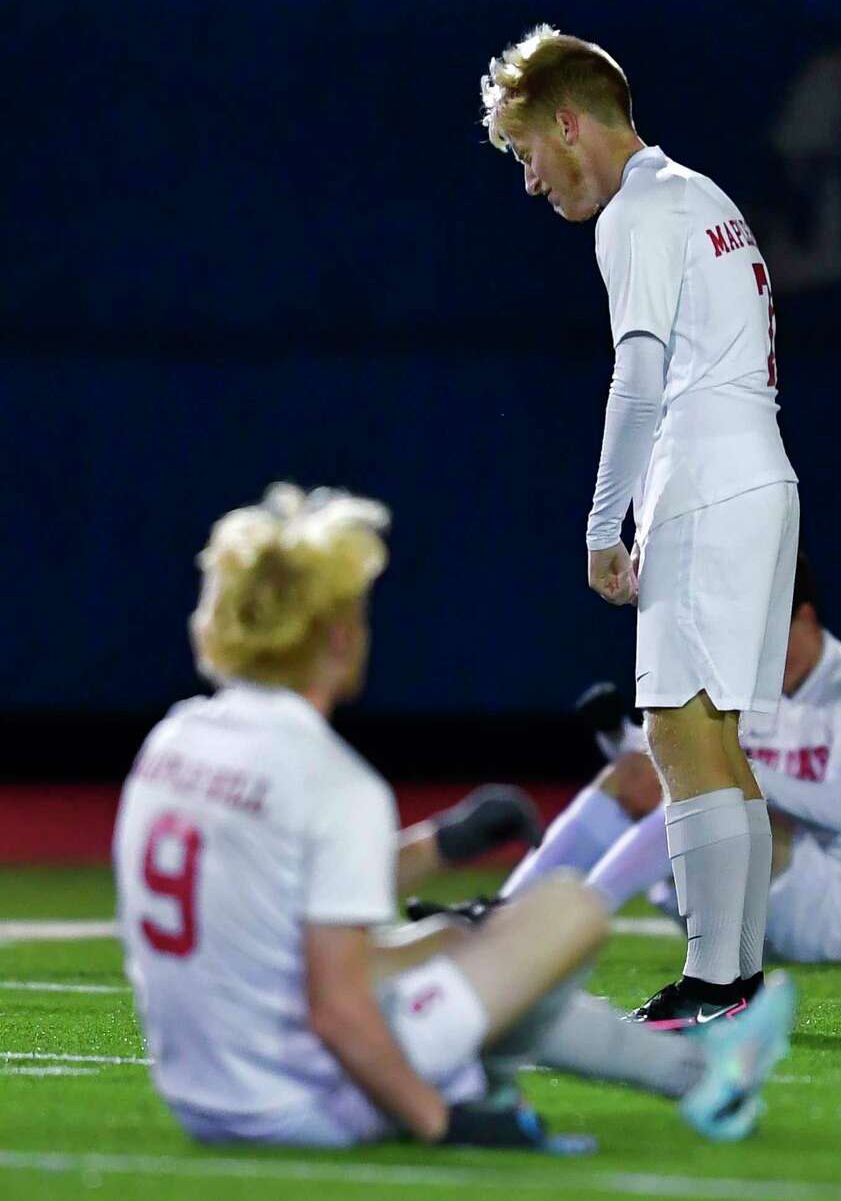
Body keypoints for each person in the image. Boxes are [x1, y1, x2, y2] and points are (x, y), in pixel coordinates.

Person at [113, 483, 794, 1151]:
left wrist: (441, 844)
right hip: (306, 1100)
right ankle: (487, 1091)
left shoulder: (172, 743)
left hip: (203, 1091)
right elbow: (337, 1009)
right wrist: (441, 1121)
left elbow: (279, 875)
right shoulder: (329, 779)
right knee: (566, 909)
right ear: (338, 635)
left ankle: (700, 1079)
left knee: (452, 939)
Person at [482, 27, 800, 1028]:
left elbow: (639, 377)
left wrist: (601, 519)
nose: (532, 182)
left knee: (674, 726)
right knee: (716, 736)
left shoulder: (635, 212)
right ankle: (738, 973)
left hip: (705, 476)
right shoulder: (703, 195)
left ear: (570, 124)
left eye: (529, 151)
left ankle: (713, 979)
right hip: (762, 470)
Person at [422, 555, 841, 968]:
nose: (758, 651)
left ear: (806, 618)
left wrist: (730, 770)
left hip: (829, 906)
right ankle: (504, 913)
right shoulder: (749, 679)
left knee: (705, 792)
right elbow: (668, 763)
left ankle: (558, 927)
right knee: (641, 776)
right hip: (732, 895)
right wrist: (618, 736)